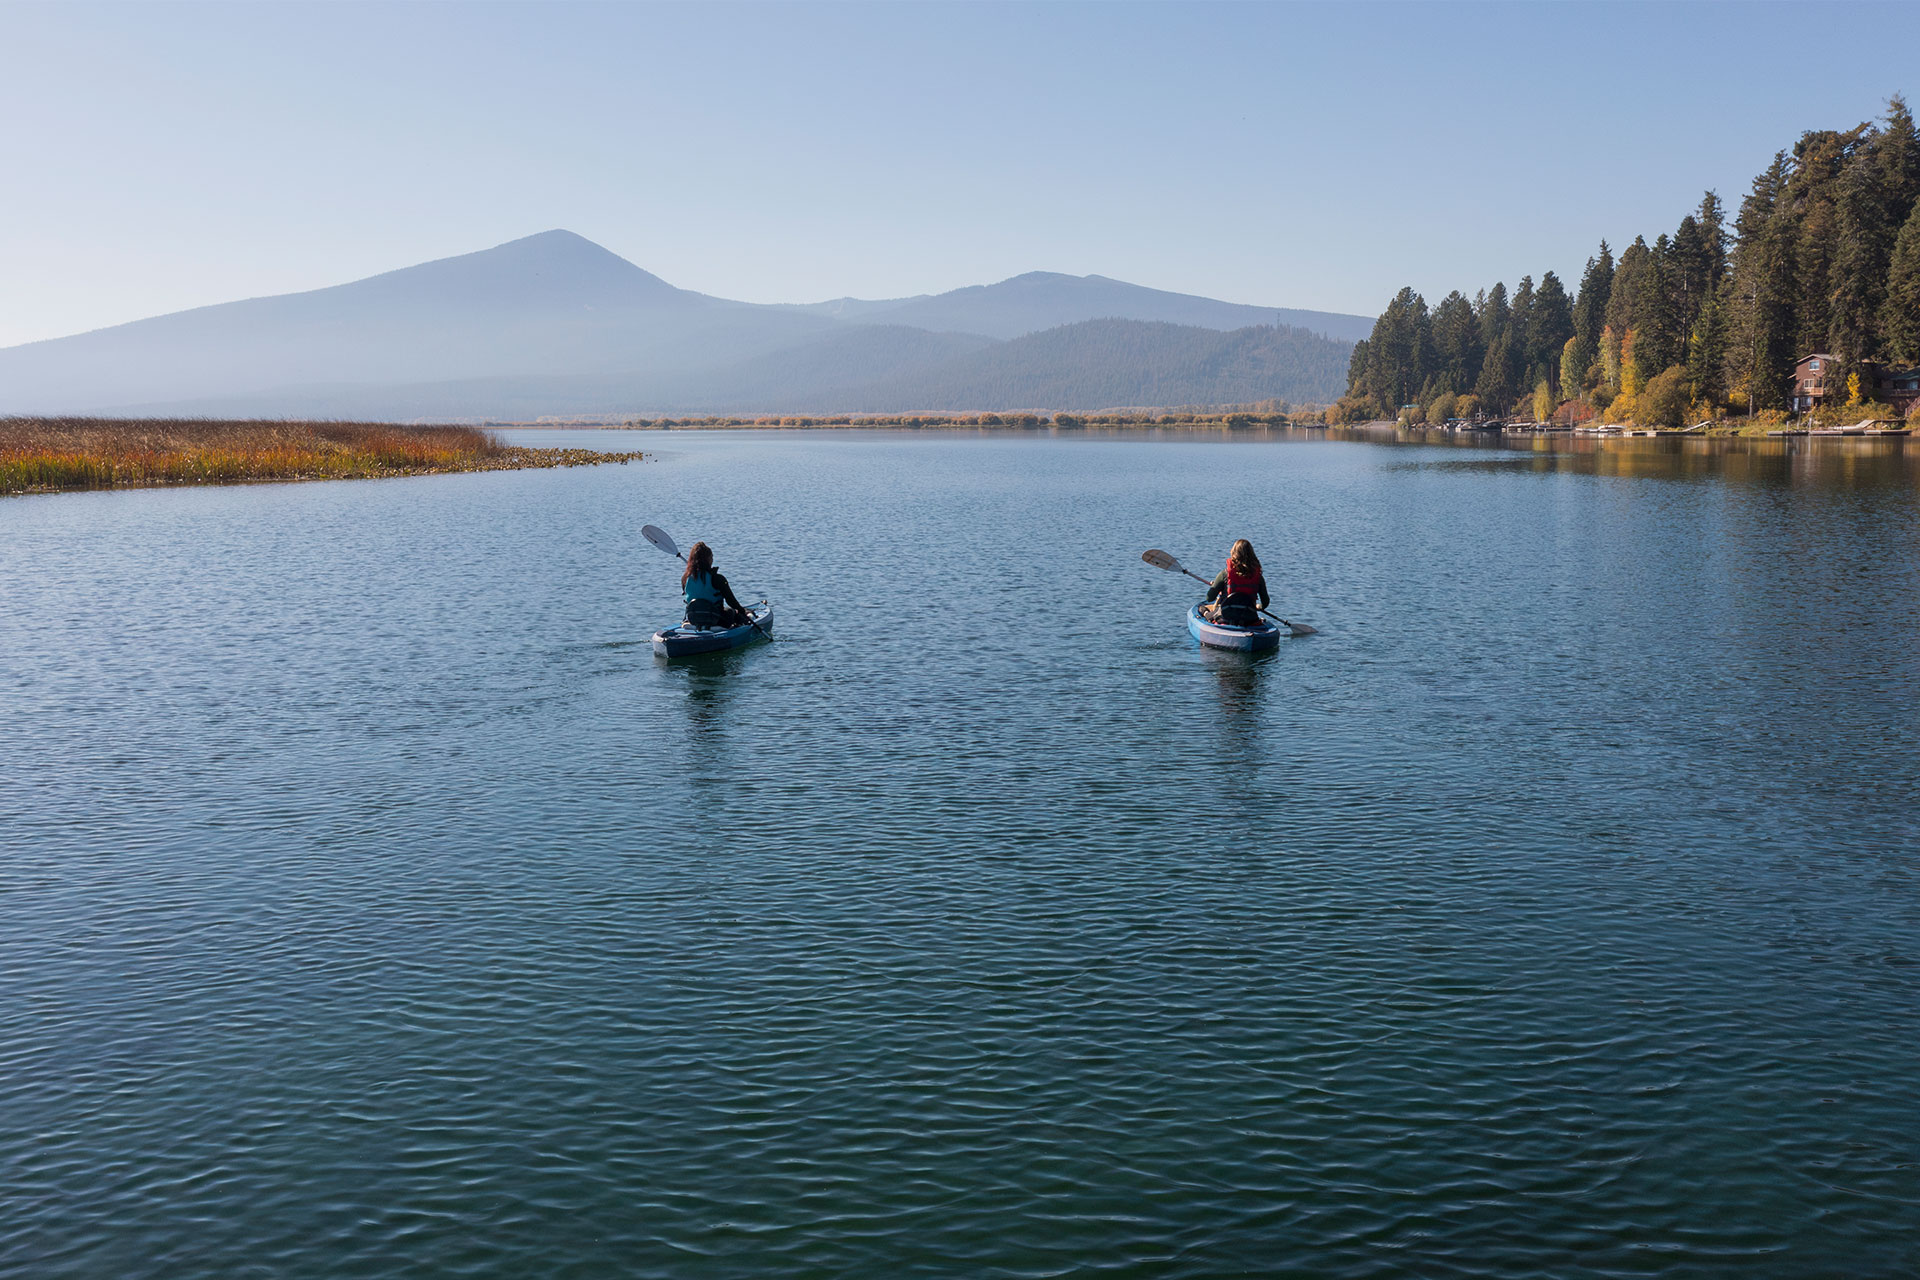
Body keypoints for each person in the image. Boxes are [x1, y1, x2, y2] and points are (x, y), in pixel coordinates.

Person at [682, 540, 749, 627]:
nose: (712, 560)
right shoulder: (717, 579)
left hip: (693, 619)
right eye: (711, 557)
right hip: (716, 620)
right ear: (708, 559)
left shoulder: (685, 578)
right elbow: (731, 602)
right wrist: (742, 611)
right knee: (731, 612)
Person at [1203, 539, 1269, 626]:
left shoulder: (1224, 574)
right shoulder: (1258, 577)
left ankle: (1205, 614)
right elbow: (1265, 602)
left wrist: (1216, 586)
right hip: (1249, 619)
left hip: (1226, 618)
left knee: (1201, 609)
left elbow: (1209, 598)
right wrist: (1258, 607)